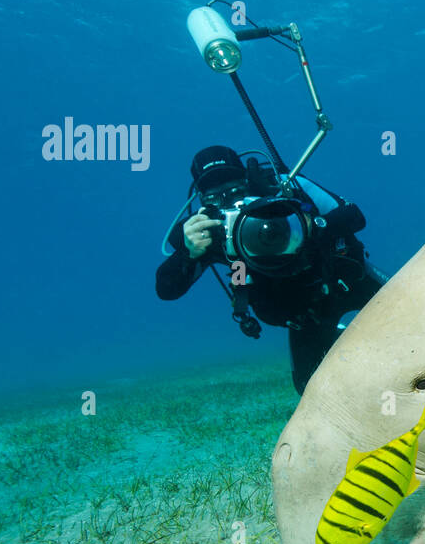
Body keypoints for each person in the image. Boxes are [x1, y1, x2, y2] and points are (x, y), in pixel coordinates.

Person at [157, 145, 386, 394]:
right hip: (305, 316)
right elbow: (167, 289)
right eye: (215, 197)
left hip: (350, 282)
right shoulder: (210, 234)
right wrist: (191, 254)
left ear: (248, 181)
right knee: (311, 388)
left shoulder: (286, 189)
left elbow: (354, 216)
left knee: (422, 321)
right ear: (202, 202)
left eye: (235, 190)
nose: (230, 202)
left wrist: (310, 224)